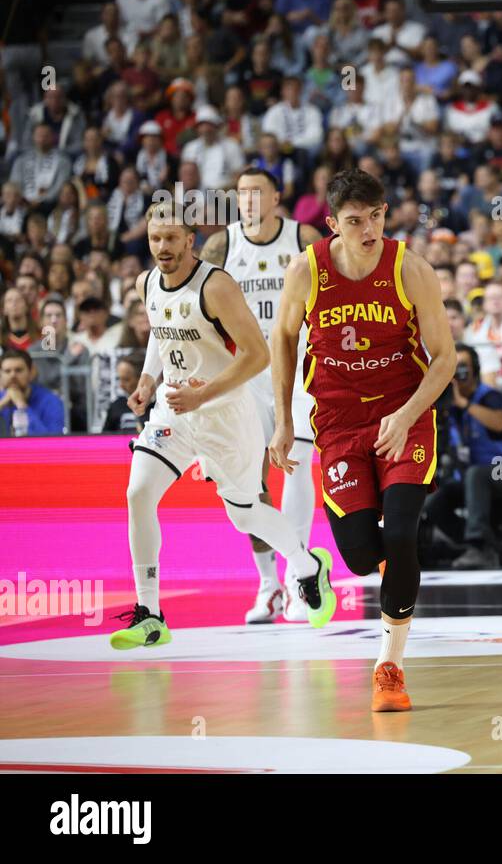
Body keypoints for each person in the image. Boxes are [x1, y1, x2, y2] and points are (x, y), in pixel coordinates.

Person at [269, 169, 455, 712]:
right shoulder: (307, 271)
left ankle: (388, 667)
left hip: (406, 412)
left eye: (376, 216)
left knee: (401, 534)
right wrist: (284, 421)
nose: (369, 229)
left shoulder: (410, 269)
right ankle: (343, 566)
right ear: (332, 224)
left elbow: (444, 358)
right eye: (355, 221)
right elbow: (281, 338)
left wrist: (407, 413)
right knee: (358, 554)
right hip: (338, 421)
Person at [111, 204, 335, 651]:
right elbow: (162, 325)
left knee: (244, 513)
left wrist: (204, 393)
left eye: (171, 239)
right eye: (155, 239)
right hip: (173, 410)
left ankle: (308, 567)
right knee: (138, 494)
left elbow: (258, 355)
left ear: (190, 240)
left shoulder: (217, 286)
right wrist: (148, 379)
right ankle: (150, 613)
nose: (162, 248)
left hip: (226, 413)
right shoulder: (146, 282)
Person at [199, 167, 324, 624]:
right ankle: (268, 584)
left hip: (298, 365)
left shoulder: (303, 237)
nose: (248, 199)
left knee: (297, 464)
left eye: (257, 192)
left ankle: (297, 580)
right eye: (242, 193)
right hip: (247, 372)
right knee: (249, 479)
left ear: (277, 197)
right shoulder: (221, 246)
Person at [422, 344, 502, 570]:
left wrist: (465, 404)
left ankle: (479, 545)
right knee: (436, 498)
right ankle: (475, 544)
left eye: (462, 368)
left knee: (477, 475)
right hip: (473, 476)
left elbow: (500, 424)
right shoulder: (449, 406)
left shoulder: (490, 397)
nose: (457, 375)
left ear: (475, 370)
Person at [0, 347, 64, 436]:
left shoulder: (51, 401)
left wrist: (21, 405)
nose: (12, 375)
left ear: (31, 373)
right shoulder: (1, 399)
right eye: (7, 371)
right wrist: (1, 405)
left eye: (18, 370)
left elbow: (53, 442)